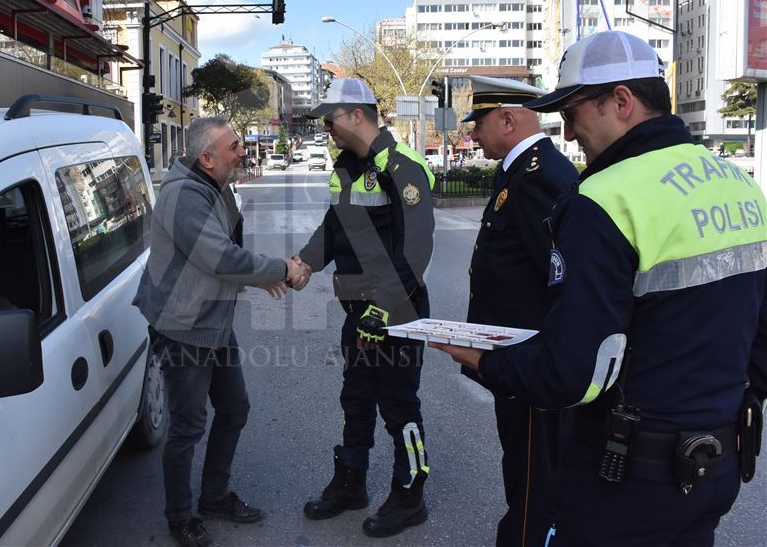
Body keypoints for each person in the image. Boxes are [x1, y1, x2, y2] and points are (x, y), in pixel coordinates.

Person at [432, 31, 767, 546]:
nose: (567, 132)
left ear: (621, 100)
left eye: (572, 112)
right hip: (714, 466)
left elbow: (572, 374)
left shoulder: (604, 198)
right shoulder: (737, 183)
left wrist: (485, 360)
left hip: (625, 477)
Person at [133, 116, 308, 547]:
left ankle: (213, 497)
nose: (242, 150)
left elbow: (227, 251)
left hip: (211, 321)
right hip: (182, 328)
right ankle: (180, 516)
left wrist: (256, 274)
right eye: (234, 146)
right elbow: (220, 257)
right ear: (206, 158)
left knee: (234, 408)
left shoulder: (214, 187)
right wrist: (281, 269)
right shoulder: (184, 197)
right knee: (188, 427)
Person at [295, 77, 436, 538]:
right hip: (358, 309)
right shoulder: (348, 166)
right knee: (355, 400)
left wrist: (382, 310)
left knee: (399, 405)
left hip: (399, 311)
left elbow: (415, 249)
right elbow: (334, 228)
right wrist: (301, 264)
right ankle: (351, 482)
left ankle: (410, 491)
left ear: (357, 115)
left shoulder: (404, 165)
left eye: (331, 118)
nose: (326, 128)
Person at [462, 75, 579, 547]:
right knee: (524, 468)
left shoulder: (538, 177)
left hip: (530, 360)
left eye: (479, 123)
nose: (472, 133)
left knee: (533, 479)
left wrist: (542, 362)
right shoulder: (519, 170)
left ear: (508, 119)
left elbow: (559, 279)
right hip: (516, 357)